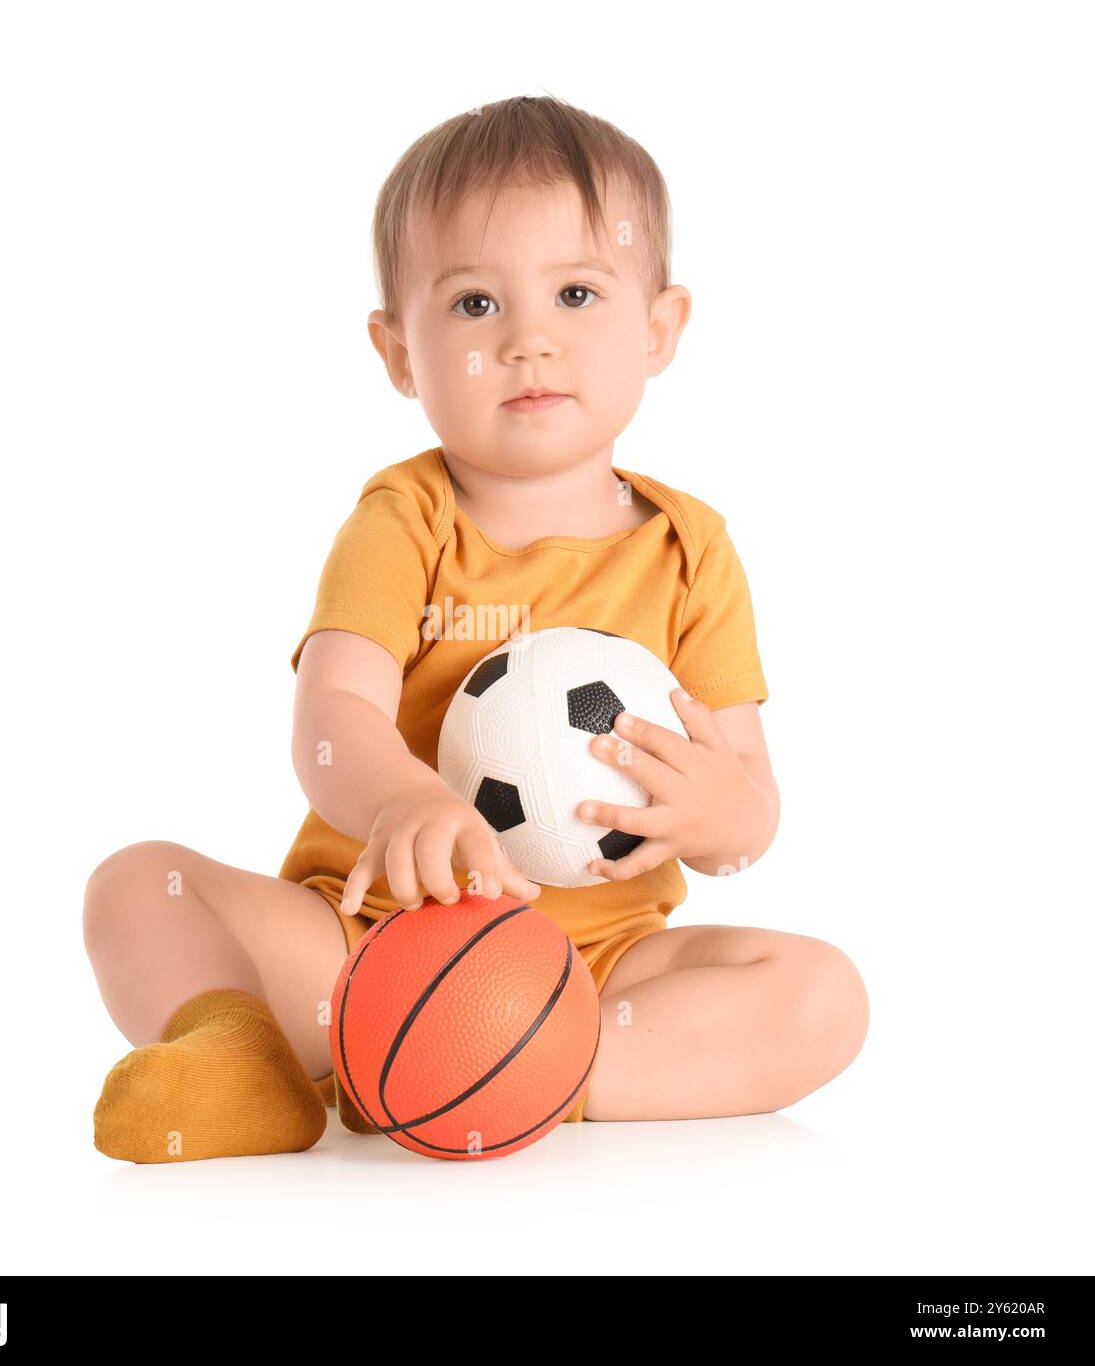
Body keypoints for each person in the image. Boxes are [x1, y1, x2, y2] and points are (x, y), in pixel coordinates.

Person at [84, 94, 869, 1163]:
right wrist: (402, 799)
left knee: (823, 996)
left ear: (658, 328)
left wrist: (721, 811)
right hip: (364, 953)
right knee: (137, 885)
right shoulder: (404, 520)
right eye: (473, 304)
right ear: (399, 352)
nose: (527, 340)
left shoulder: (692, 550)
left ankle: (512, 1070)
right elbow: (333, 713)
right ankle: (254, 1059)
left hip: (594, 973)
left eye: (576, 293)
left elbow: (749, 802)